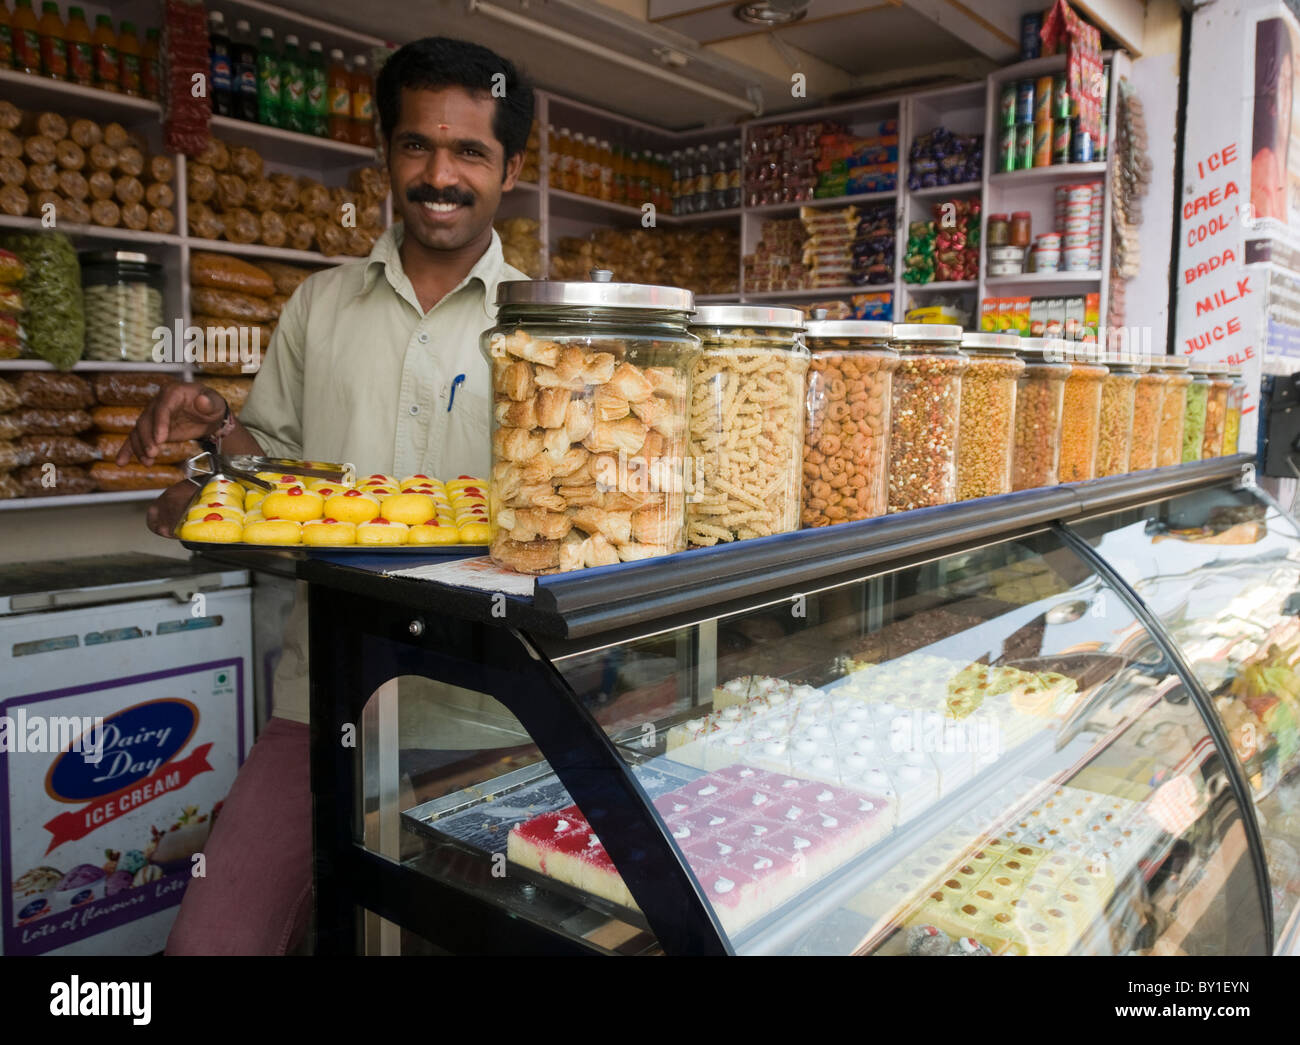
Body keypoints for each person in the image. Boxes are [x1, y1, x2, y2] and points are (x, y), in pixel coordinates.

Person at [120, 36, 534, 955]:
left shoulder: (542, 324)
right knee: (213, 940)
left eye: (469, 151)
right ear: (384, 154)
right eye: (417, 145)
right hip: (322, 696)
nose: (439, 174)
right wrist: (214, 426)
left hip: (493, 708)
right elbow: (274, 471)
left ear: (512, 169)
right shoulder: (320, 305)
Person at [1252, 18, 1293, 225]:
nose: (1286, 95)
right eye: (1281, 81)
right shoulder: (1263, 167)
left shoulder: (1282, 173)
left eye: (1290, 82)